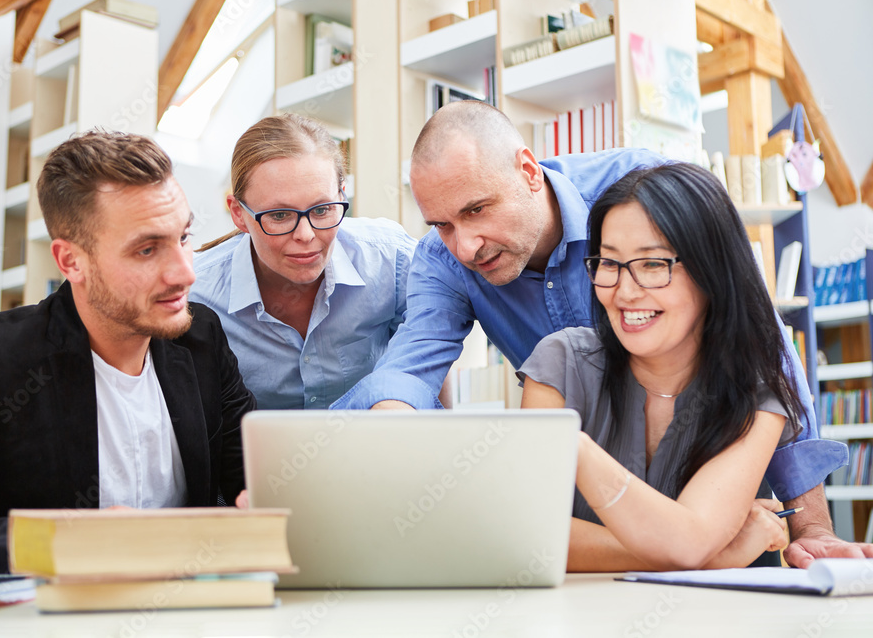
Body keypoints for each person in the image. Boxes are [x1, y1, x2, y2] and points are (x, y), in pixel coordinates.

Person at [332, 100, 871, 568]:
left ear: (526, 170)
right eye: (442, 224)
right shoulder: (476, 292)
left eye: (477, 210)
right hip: (593, 528)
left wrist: (812, 528)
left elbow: (758, 337)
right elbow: (410, 369)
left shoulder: (638, 195)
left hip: (709, 484)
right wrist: (390, 436)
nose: (466, 246)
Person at [0, 131, 255, 574]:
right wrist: (57, 542)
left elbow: (251, 480)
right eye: (147, 249)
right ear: (71, 262)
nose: (185, 273)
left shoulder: (202, 339)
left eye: (184, 237)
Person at [520, 162, 801, 570]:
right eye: (609, 263)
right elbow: (532, 537)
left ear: (713, 272)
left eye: (653, 264)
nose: (625, 291)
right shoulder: (561, 362)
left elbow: (688, 542)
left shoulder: (755, 392)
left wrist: (569, 443)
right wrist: (715, 557)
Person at [190, 114, 416, 410]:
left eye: (322, 210)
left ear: (342, 193)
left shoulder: (391, 259)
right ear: (238, 213)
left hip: (374, 452)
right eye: (280, 215)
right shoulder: (195, 296)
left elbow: (433, 349)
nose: (306, 235)